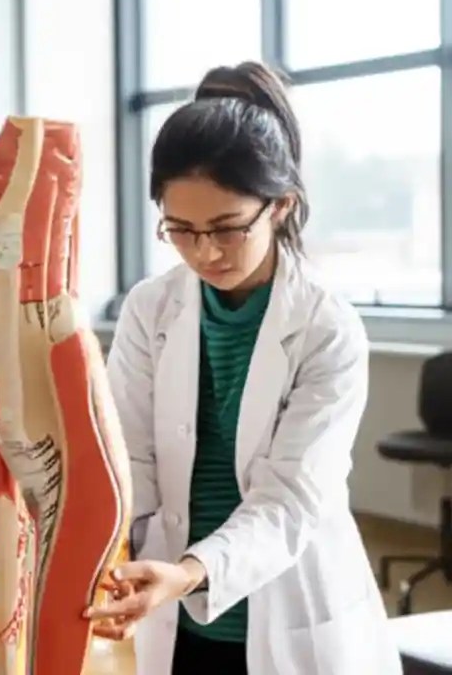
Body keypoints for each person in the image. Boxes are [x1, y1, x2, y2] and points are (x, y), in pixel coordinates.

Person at [87, 61, 402, 674]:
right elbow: (130, 463)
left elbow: (288, 500)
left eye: (228, 229)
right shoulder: (149, 308)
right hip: (171, 613)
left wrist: (189, 572)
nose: (205, 251)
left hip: (286, 609)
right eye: (180, 229)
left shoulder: (325, 327)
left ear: (280, 205)